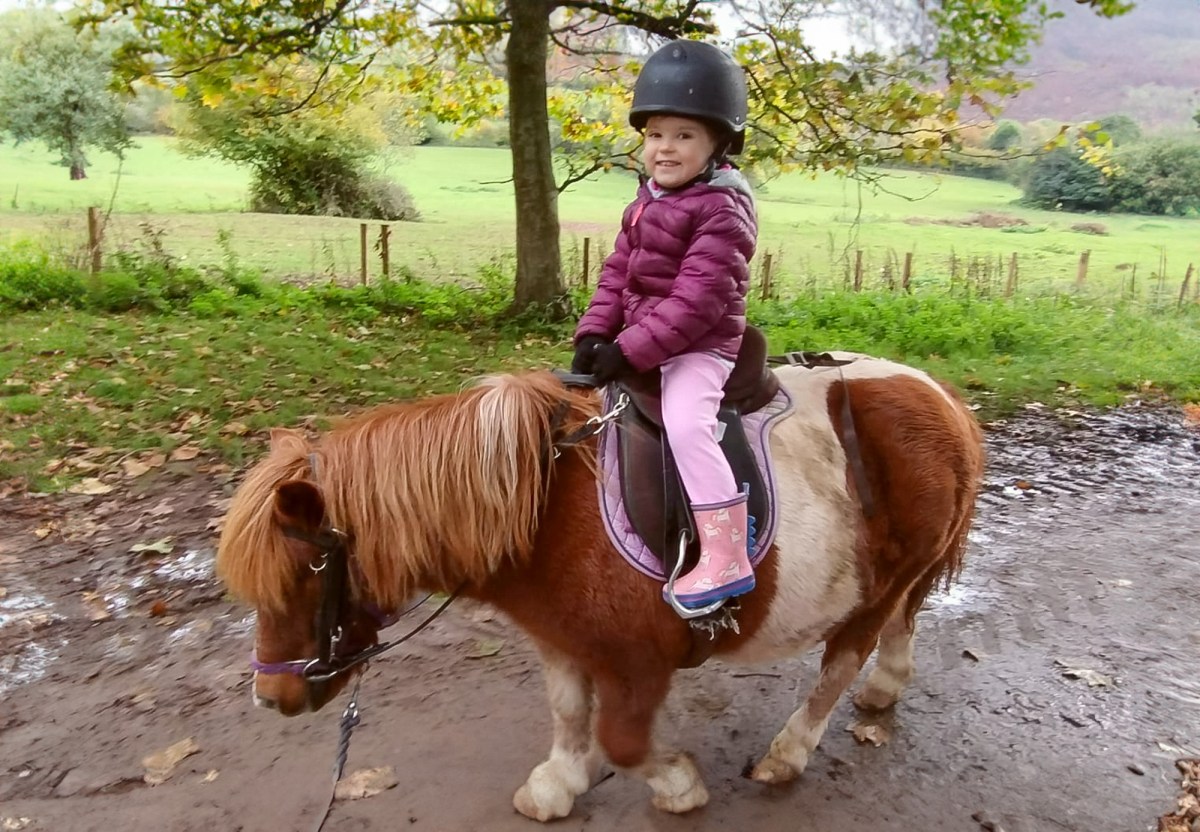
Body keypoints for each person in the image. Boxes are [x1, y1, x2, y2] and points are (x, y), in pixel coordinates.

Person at [570, 40, 758, 611]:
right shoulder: (644, 203)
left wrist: (629, 351)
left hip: (700, 348)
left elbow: (697, 302)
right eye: (655, 135)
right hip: (644, 340)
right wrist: (594, 334)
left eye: (684, 136)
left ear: (717, 145)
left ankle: (727, 555)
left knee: (684, 422)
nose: (665, 148)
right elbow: (617, 272)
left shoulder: (723, 210)